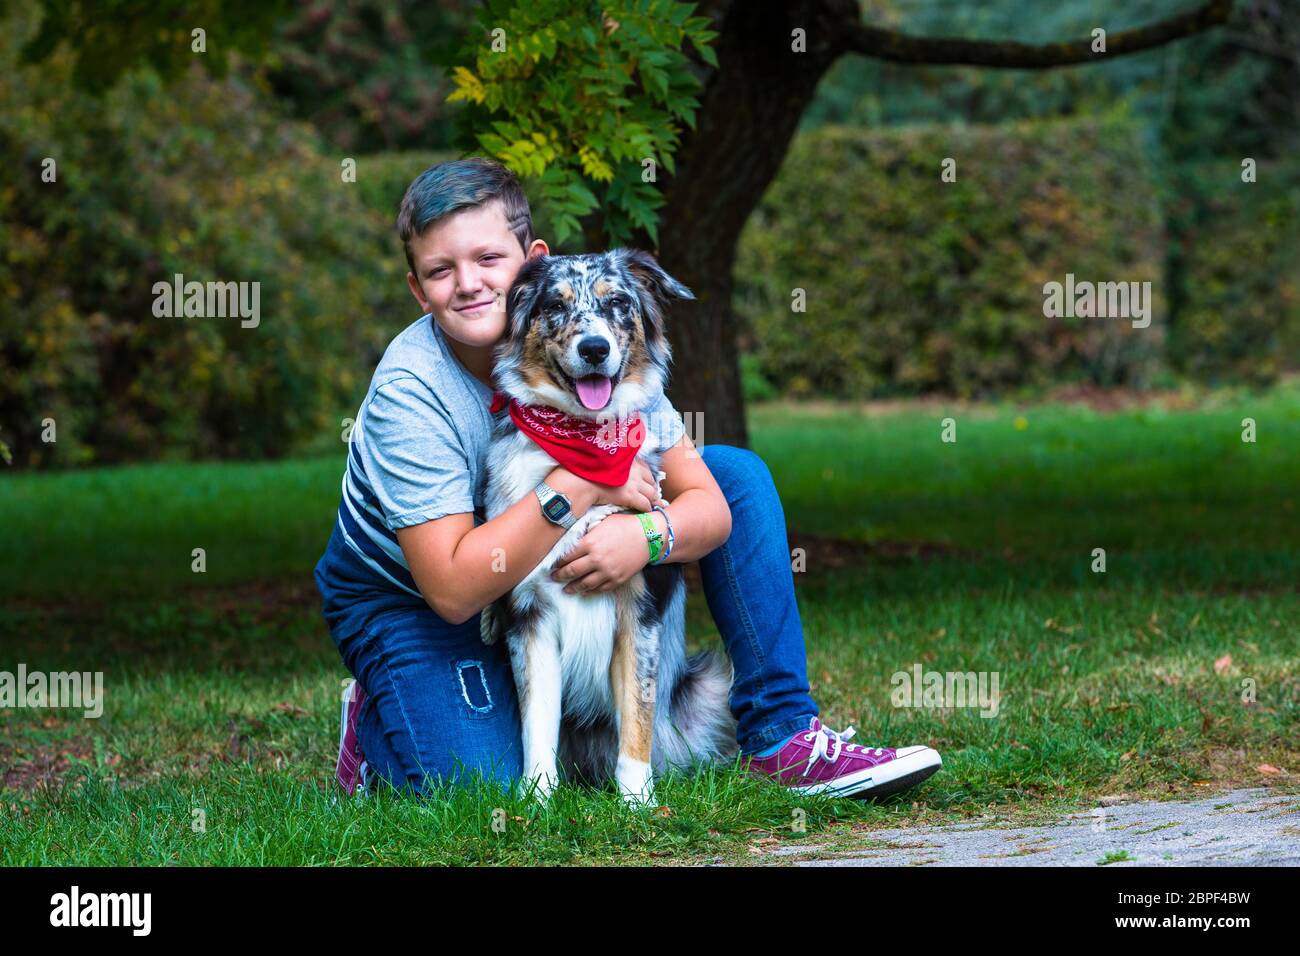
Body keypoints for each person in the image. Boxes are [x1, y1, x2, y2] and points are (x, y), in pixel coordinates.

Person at [315, 156, 943, 802]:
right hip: (418, 600)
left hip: (523, 570)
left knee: (735, 476)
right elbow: (451, 590)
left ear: (532, 261)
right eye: (441, 271)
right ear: (420, 290)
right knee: (475, 786)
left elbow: (710, 508)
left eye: (487, 260)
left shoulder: (603, 363)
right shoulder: (411, 393)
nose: (469, 284)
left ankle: (784, 735)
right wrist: (589, 484)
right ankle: (377, 714)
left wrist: (646, 537)